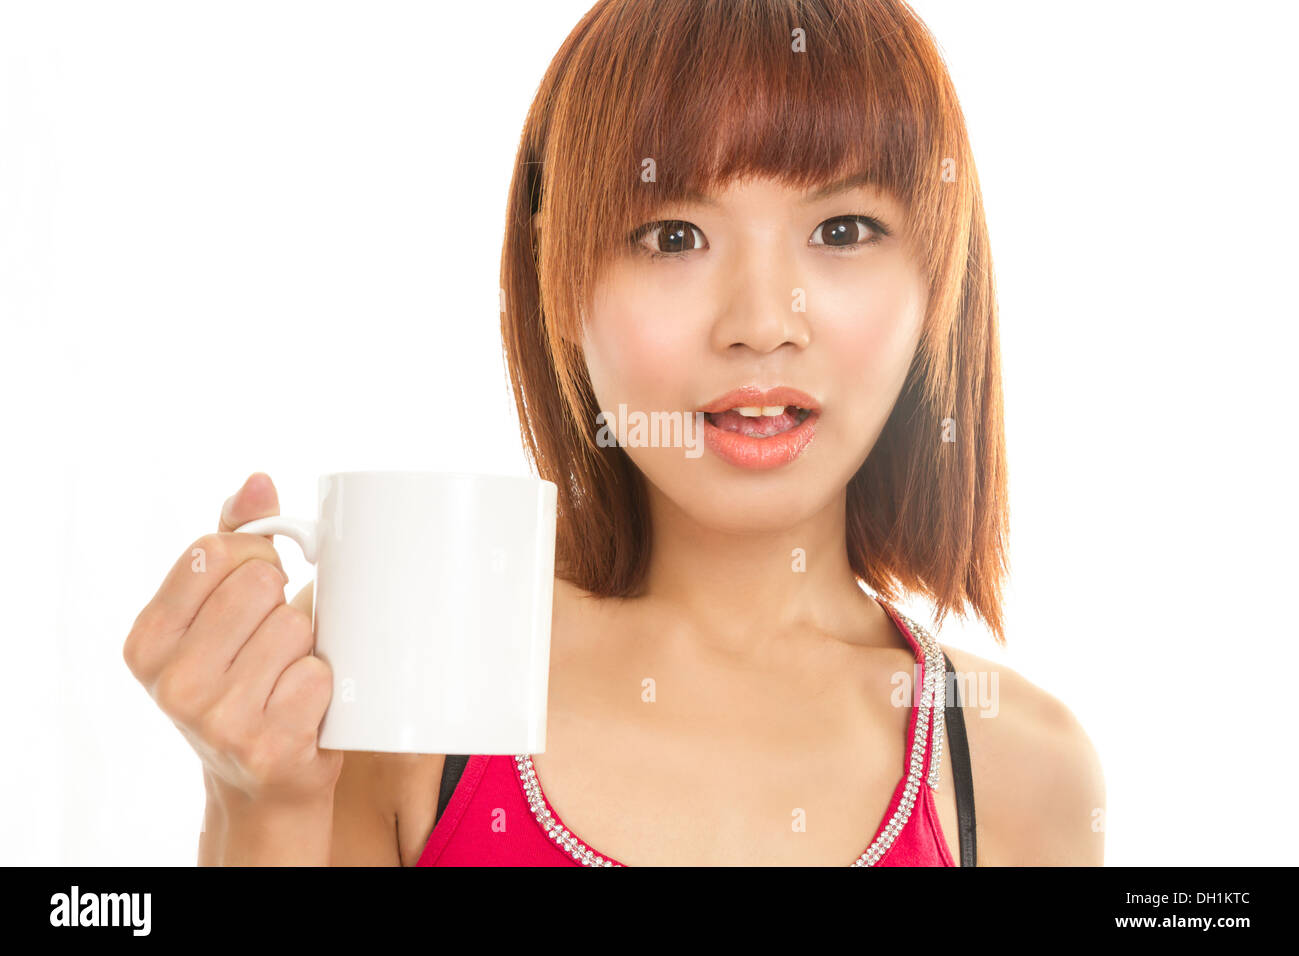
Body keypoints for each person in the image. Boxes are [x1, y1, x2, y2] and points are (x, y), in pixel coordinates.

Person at [124, 0, 1105, 866]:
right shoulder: (405, 698)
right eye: (673, 235)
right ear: (558, 287)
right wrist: (262, 811)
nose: (763, 319)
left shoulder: (1021, 769)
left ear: (938, 285)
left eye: (842, 229)